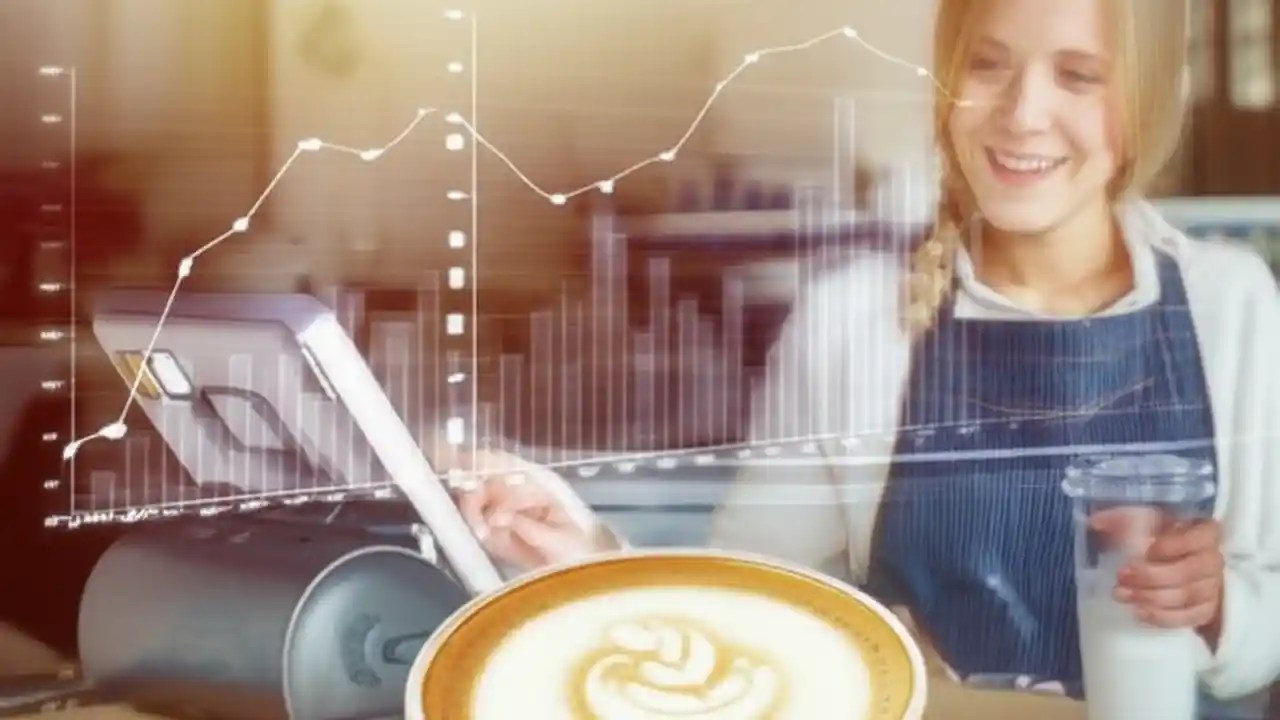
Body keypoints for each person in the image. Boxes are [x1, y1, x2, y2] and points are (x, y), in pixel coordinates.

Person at [452, 0, 1280, 709]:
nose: (1024, 113)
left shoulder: (1231, 304)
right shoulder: (851, 322)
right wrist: (593, 553)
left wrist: (1217, 609)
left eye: (1078, 75)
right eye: (988, 66)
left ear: (1146, 100)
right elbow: (751, 603)